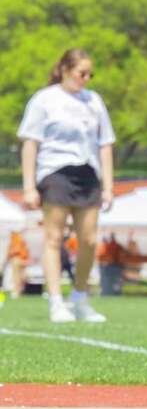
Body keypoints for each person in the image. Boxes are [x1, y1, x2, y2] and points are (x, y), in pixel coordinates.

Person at [17, 48, 114, 324]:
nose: (86, 79)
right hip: (55, 172)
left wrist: (108, 186)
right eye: (82, 73)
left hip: (88, 172)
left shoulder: (94, 101)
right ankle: (56, 302)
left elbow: (105, 144)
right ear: (64, 70)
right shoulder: (44, 100)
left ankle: (80, 298)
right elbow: (30, 143)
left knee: (89, 240)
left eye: (90, 74)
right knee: (53, 238)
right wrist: (29, 186)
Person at [5, 229, 30, 297]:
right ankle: (17, 290)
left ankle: (18, 290)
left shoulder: (20, 237)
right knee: (17, 273)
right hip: (19, 258)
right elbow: (12, 250)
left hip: (24, 259)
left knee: (21, 275)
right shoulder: (15, 237)